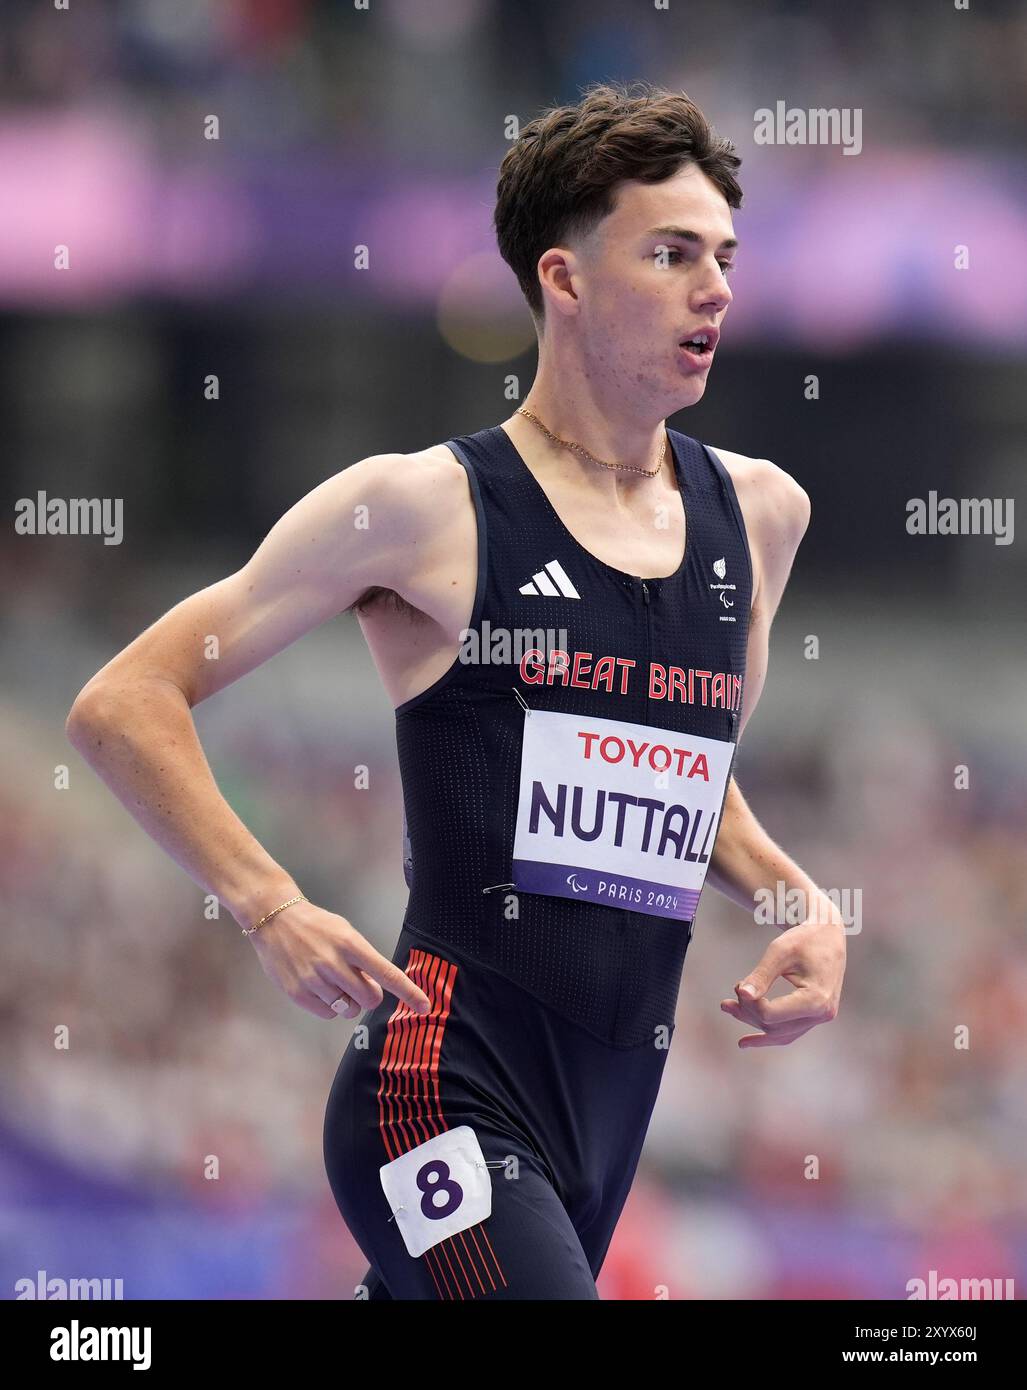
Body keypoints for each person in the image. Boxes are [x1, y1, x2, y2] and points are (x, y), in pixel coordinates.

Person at [66, 80, 846, 1300]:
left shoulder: (759, 515)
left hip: (606, 1119)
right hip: (435, 1090)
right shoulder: (421, 507)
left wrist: (797, 899)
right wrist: (268, 902)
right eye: (673, 252)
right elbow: (125, 701)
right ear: (565, 280)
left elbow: (688, 774)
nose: (717, 288)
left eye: (726, 257)